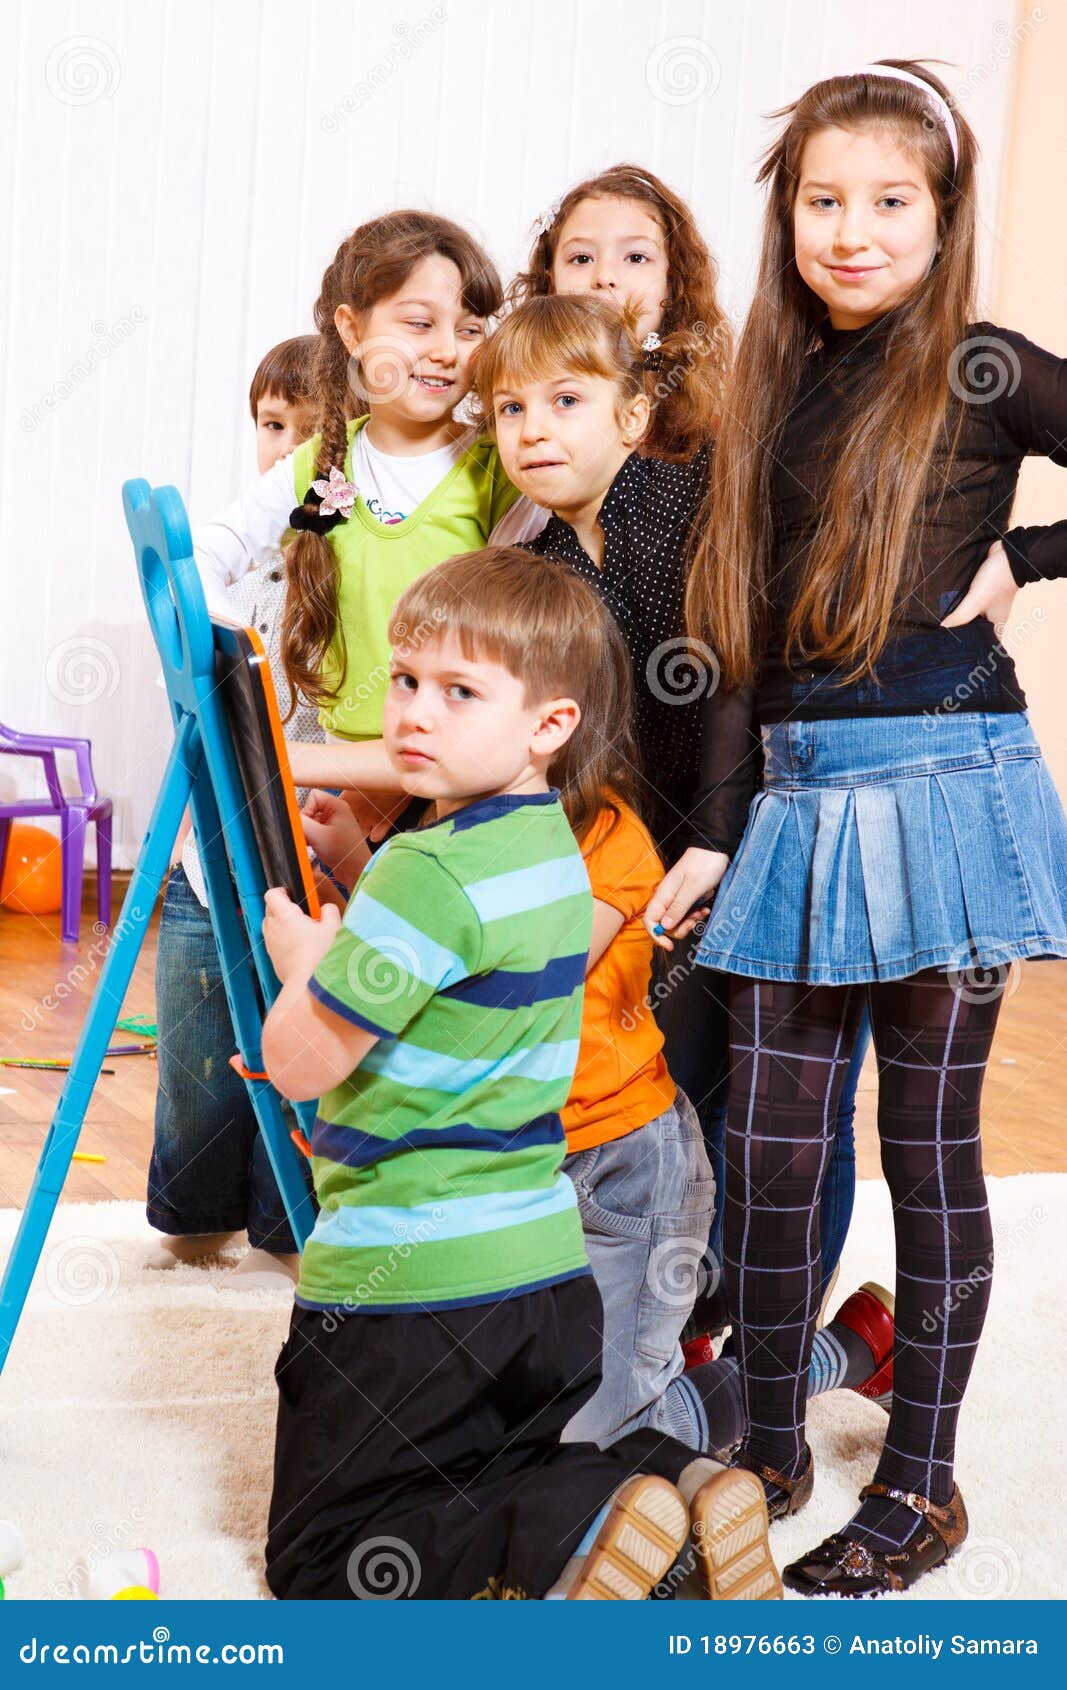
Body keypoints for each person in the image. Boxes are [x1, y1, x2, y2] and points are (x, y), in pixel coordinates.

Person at [648, 60, 1067, 1596]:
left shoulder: (976, 366)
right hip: (801, 801)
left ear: (940, 215)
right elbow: (735, 645)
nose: (850, 228)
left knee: (927, 1146)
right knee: (762, 1147)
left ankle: (922, 1485)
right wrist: (709, 828)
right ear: (785, 214)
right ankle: (764, 1442)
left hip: (951, 788)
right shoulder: (763, 388)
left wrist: (1028, 550)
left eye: (887, 200)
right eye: (821, 199)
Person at [258, 547, 781, 1602]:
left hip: (410, 1286)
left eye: (458, 692)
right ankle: (662, 1478)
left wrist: (303, 971)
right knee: (496, 1460)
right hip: (541, 1281)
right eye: (405, 680)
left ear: (548, 725)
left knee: (321, 1560)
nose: (414, 712)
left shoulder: (425, 867)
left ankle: (580, 1533)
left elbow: (303, 1063)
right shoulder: (551, 847)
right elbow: (452, 998)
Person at [146, 335, 321, 1285]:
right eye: (270, 428)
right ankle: (193, 1213)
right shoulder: (236, 553)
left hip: (298, 842)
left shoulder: (337, 556)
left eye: (308, 435)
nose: (283, 449)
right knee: (196, 1058)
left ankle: (285, 1222)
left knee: (286, 1044)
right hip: (206, 846)